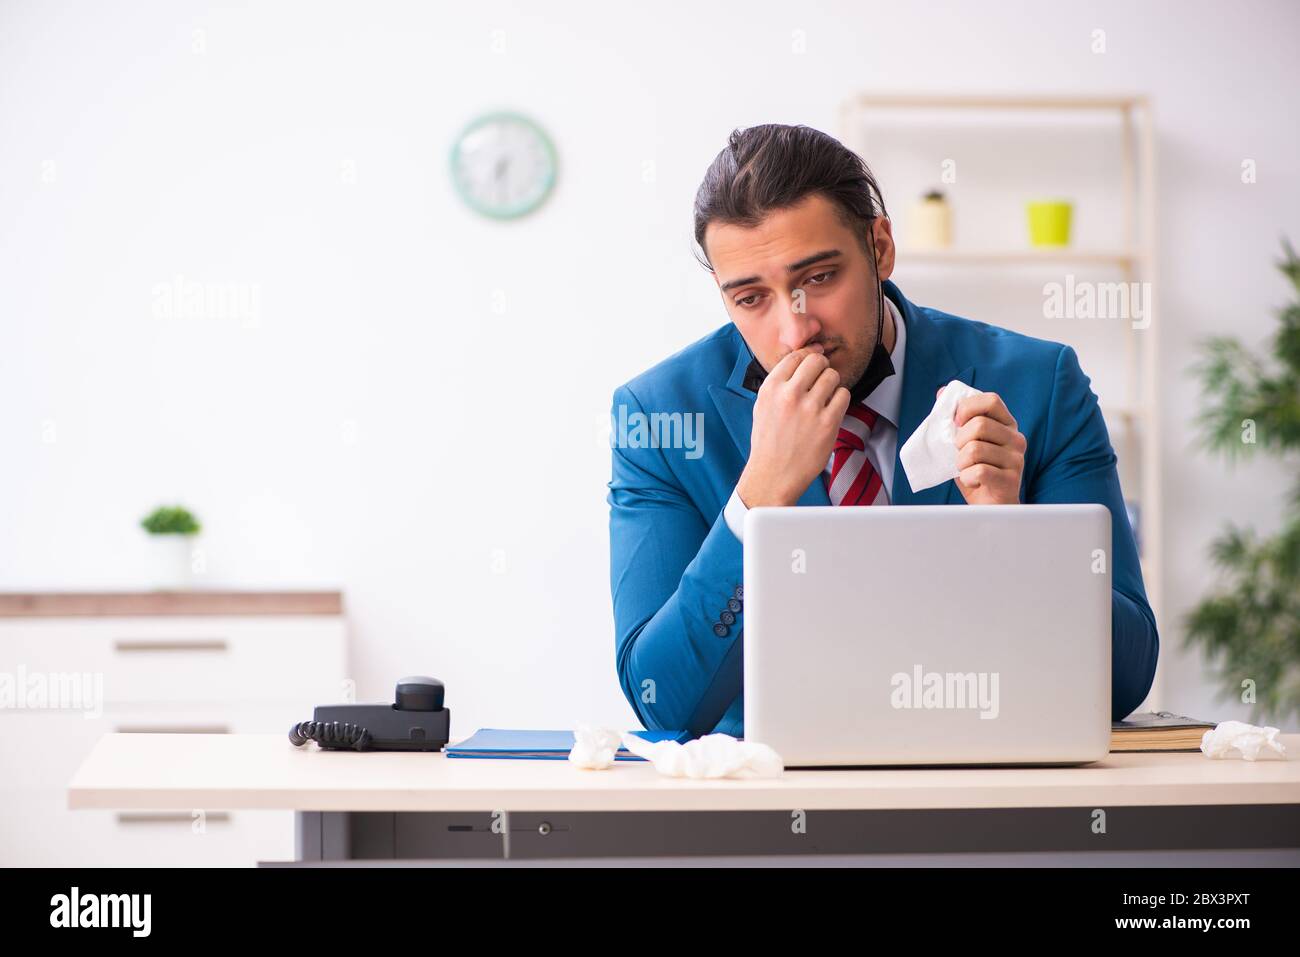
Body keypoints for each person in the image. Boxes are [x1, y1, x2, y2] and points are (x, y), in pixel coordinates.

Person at [607, 123, 1157, 737]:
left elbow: (1125, 682)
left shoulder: (1041, 385)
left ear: (881, 247)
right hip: (766, 802)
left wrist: (1014, 537)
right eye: (752, 298)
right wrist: (758, 495)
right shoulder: (658, 418)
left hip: (986, 778)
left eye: (818, 279)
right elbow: (662, 704)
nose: (794, 332)